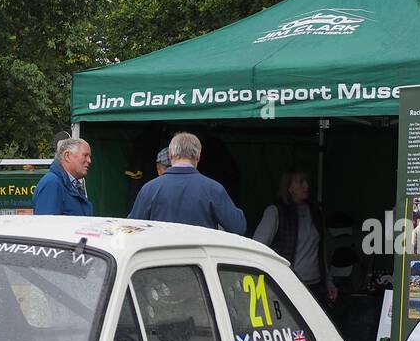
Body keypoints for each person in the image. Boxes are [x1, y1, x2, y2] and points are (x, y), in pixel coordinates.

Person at [252, 169, 337, 309]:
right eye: (301, 182)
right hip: (289, 284)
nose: (306, 186)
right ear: (289, 187)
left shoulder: (316, 213)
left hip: (315, 286)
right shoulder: (275, 212)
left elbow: (322, 252)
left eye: (307, 182)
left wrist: (329, 282)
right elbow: (258, 247)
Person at [128, 132, 246, 232]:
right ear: (198, 156)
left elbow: (131, 229)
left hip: (160, 258)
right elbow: (238, 227)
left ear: (171, 154)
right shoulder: (214, 189)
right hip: (199, 258)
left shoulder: (149, 188)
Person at [32, 137, 93, 216]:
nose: (89, 160)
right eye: (85, 155)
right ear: (67, 156)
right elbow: (46, 226)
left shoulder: (73, 185)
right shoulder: (52, 184)